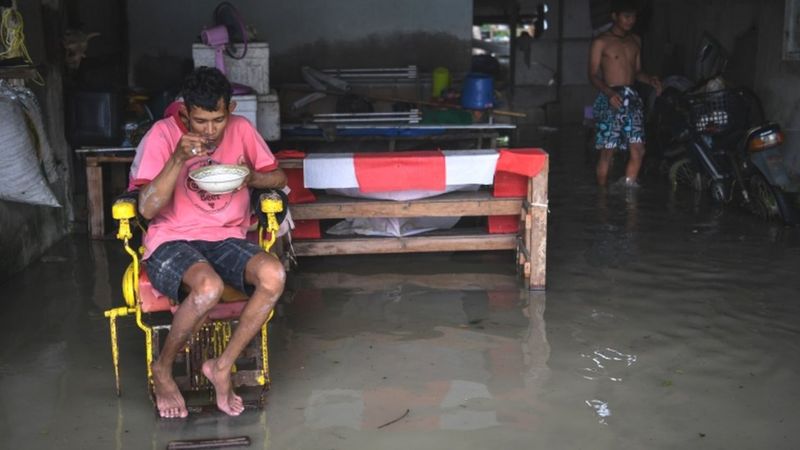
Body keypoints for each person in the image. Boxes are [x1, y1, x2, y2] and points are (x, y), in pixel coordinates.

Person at [129, 67, 287, 418]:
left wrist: (251, 177)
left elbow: (278, 176)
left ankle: (221, 366)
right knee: (208, 286)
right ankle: (164, 369)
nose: (211, 130)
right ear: (185, 113)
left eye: (218, 119)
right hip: (171, 238)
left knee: (274, 275)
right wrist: (178, 159)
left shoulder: (242, 129)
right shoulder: (162, 134)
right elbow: (148, 207)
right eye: (201, 121)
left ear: (230, 108)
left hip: (226, 236)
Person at [588, 0, 661, 188]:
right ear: (615, 16)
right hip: (611, 97)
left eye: (633, 16)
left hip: (632, 98)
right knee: (608, 152)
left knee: (638, 150)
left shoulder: (636, 40)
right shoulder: (601, 41)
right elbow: (592, 75)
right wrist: (609, 93)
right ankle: (602, 199)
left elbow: (636, 72)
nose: (631, 20)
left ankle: (629, 195)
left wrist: (649, 80)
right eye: (626, 16)